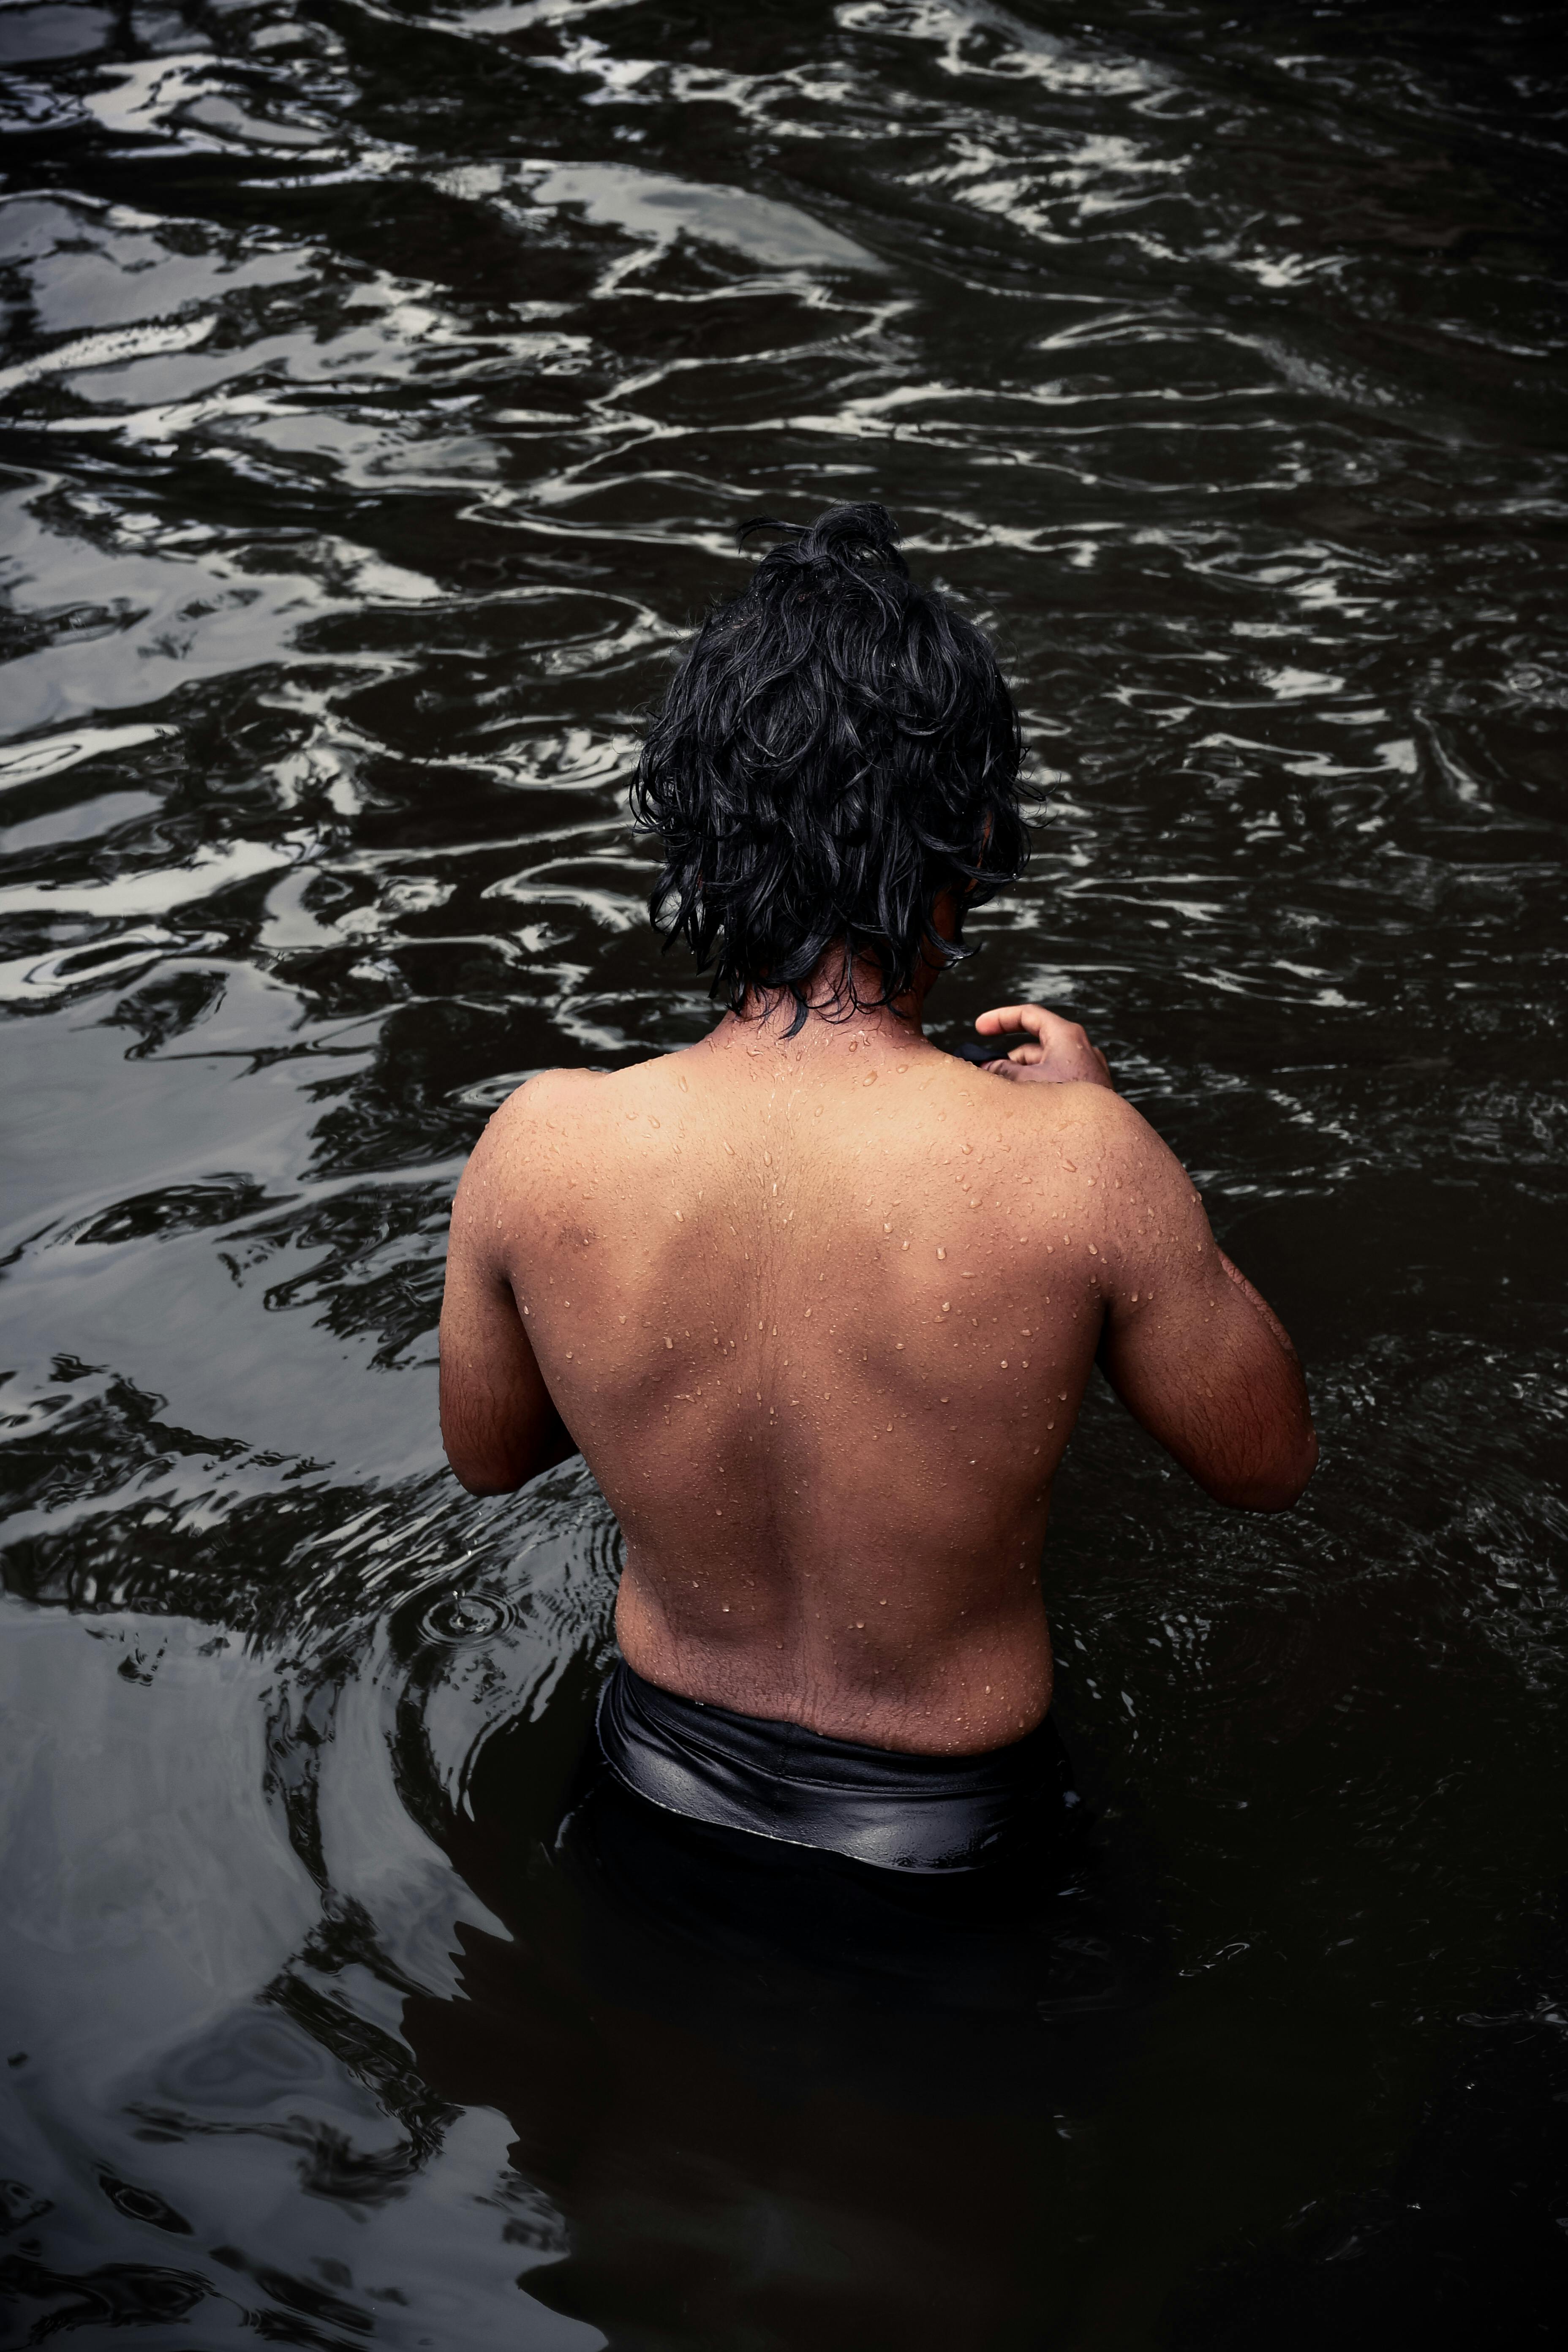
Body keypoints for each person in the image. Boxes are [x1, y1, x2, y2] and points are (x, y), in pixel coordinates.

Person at [438, 503, 1317, 1880]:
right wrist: (1100, 1123)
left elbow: (490, 1457)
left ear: (698, 831)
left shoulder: (540, 1146)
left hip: (649, 1791)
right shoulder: (1076, 1164)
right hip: (944, 1840)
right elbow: (1266, 1463)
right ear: (968, 837)